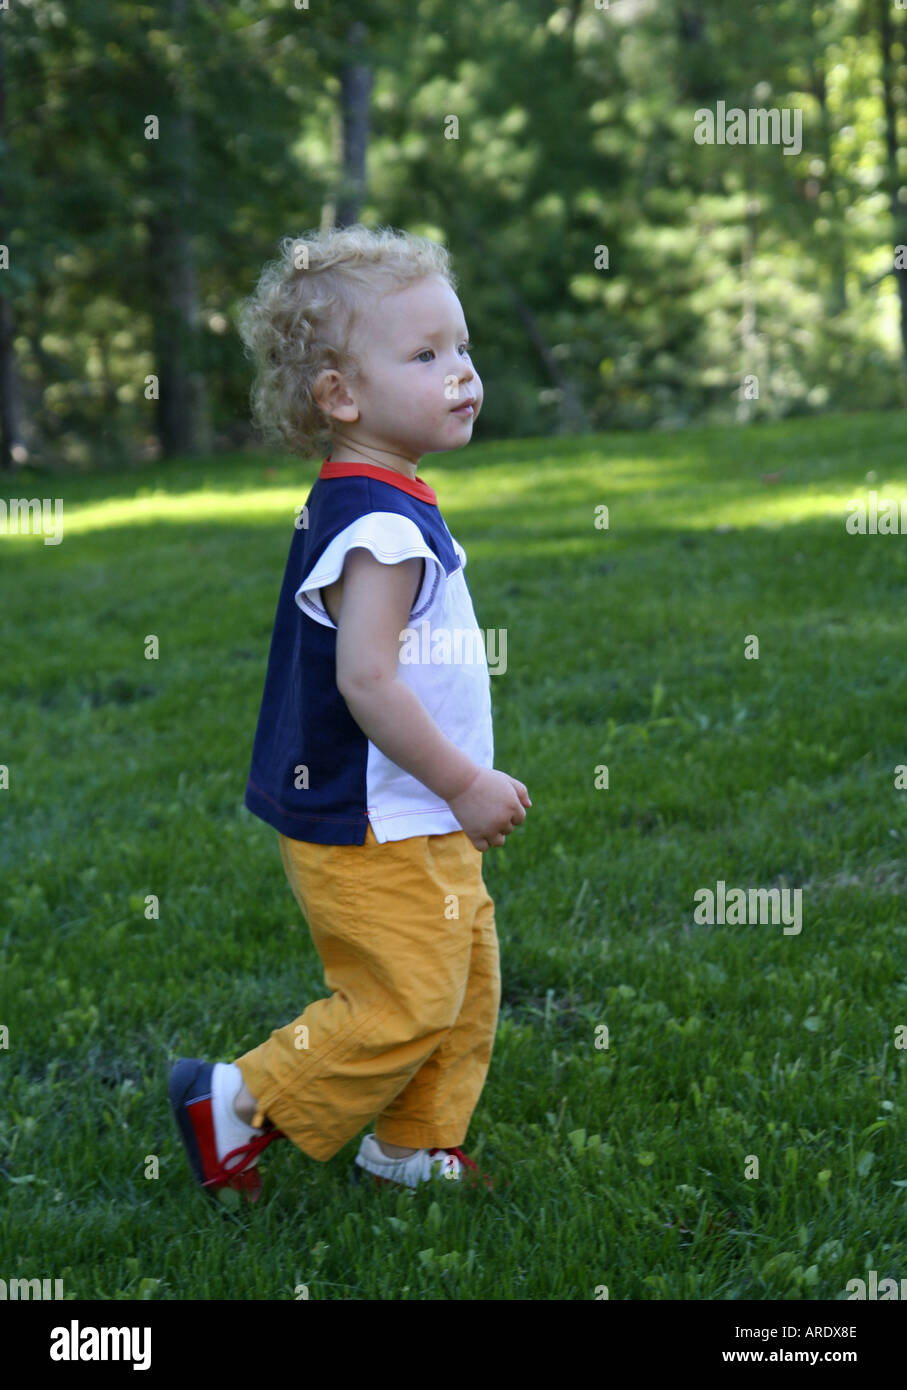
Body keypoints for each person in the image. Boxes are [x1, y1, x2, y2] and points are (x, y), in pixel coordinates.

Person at [169, 224, 530, 1202]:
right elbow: (365, 682)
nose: (461, 372)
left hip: (414, 812)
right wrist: (463, 781)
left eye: (461, 347)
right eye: (425, 355)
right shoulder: (376, 526)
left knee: (462, 984)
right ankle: (238, 1098)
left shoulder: (381, 495)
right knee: (404, 997)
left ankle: (410, 1145)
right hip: (375, 819)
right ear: (340, 395)